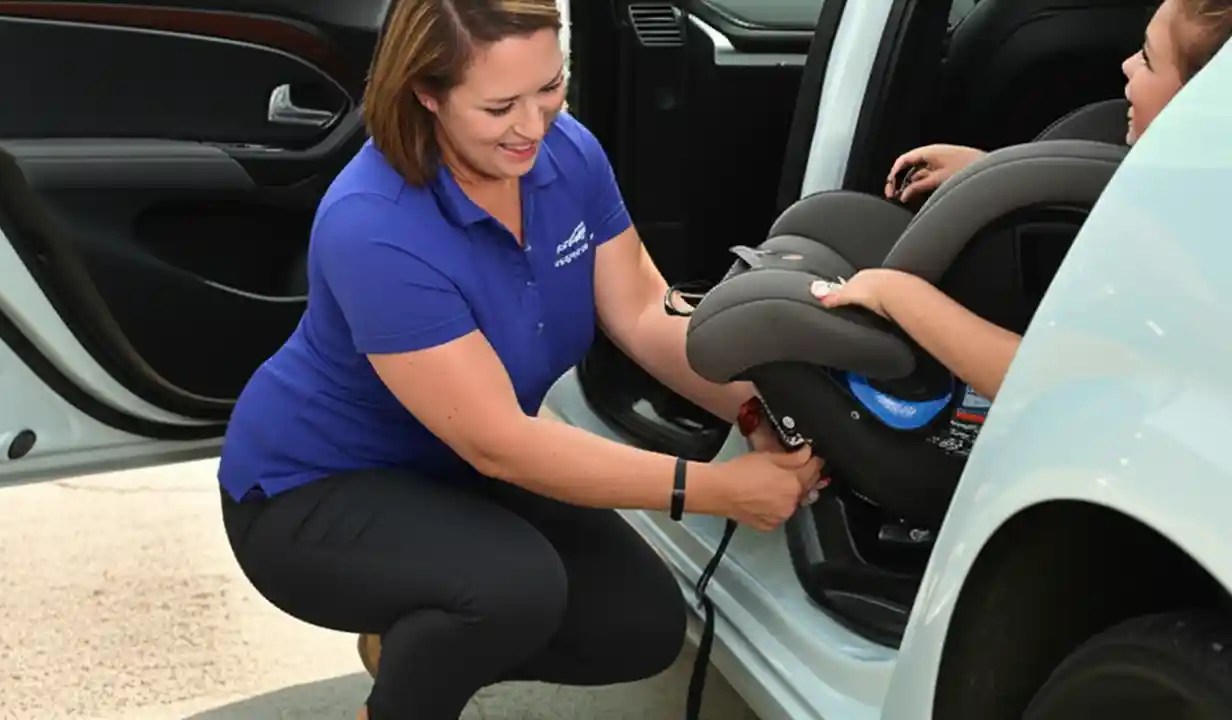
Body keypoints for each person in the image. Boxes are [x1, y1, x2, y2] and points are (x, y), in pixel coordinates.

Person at [215, 1, 826, 719]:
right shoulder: (373, 225)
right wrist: (718, 489)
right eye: (500, 105)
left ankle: (417, 641)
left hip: (458, 473)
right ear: (427, 91)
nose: (534, 126)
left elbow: (639, 309)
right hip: (314, 490)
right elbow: (501, 442)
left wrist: (755, 404)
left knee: (642, 626)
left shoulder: (565, 155)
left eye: (551, 87)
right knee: (513, 590)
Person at [818, 0, 1232, 403]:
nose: (1127, 64)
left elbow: (1050, 381)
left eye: (1147, 58)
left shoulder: (1185, 257)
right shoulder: (1187, 209)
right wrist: (993, 174)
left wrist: (894, 293)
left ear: (1198, 110)